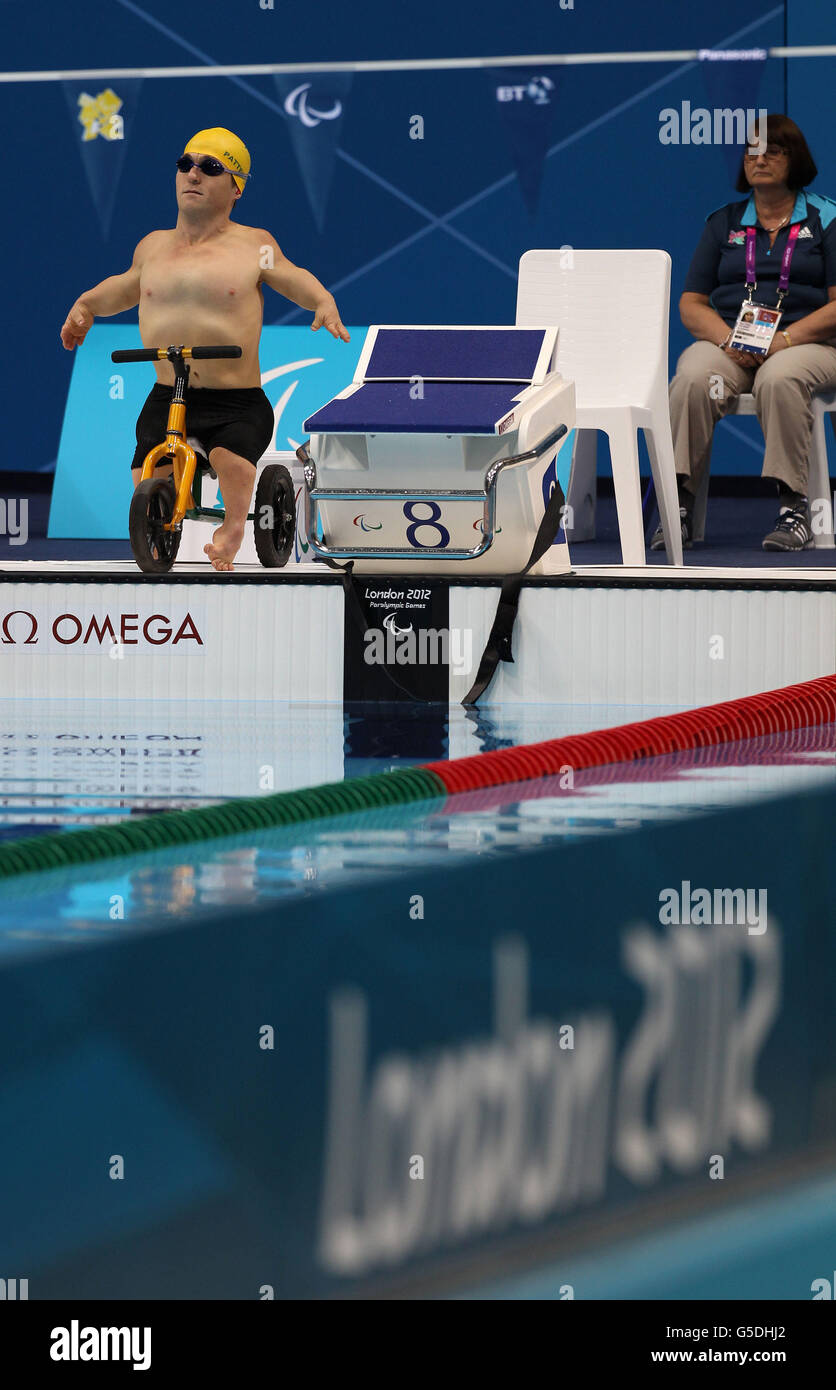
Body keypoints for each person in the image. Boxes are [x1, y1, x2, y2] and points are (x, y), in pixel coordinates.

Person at [60, 127, 349, 571]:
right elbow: (123, 287)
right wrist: (85, 306)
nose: (193, 174)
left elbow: (293, 276)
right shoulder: (152, 247)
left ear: (236, 187)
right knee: (148, 474)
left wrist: (322, 301)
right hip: (167, 396)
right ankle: (162, 525)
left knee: (230, 460)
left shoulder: (256, 245)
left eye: (210, 167)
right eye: (185, 164)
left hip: (236, 403)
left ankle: (233, 527)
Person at [655, 113, 836, 553]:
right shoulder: (723, 222)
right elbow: (691, 303)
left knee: (781, 376)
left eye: (773, 150)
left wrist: (784, 340)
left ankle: (794, 507)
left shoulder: (826, 217)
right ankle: (677, 502)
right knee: (694, 376)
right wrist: (727, 340)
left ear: (796, 160)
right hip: (733, 345)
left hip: (809, 343)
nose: (760, 159)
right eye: (752, 151)